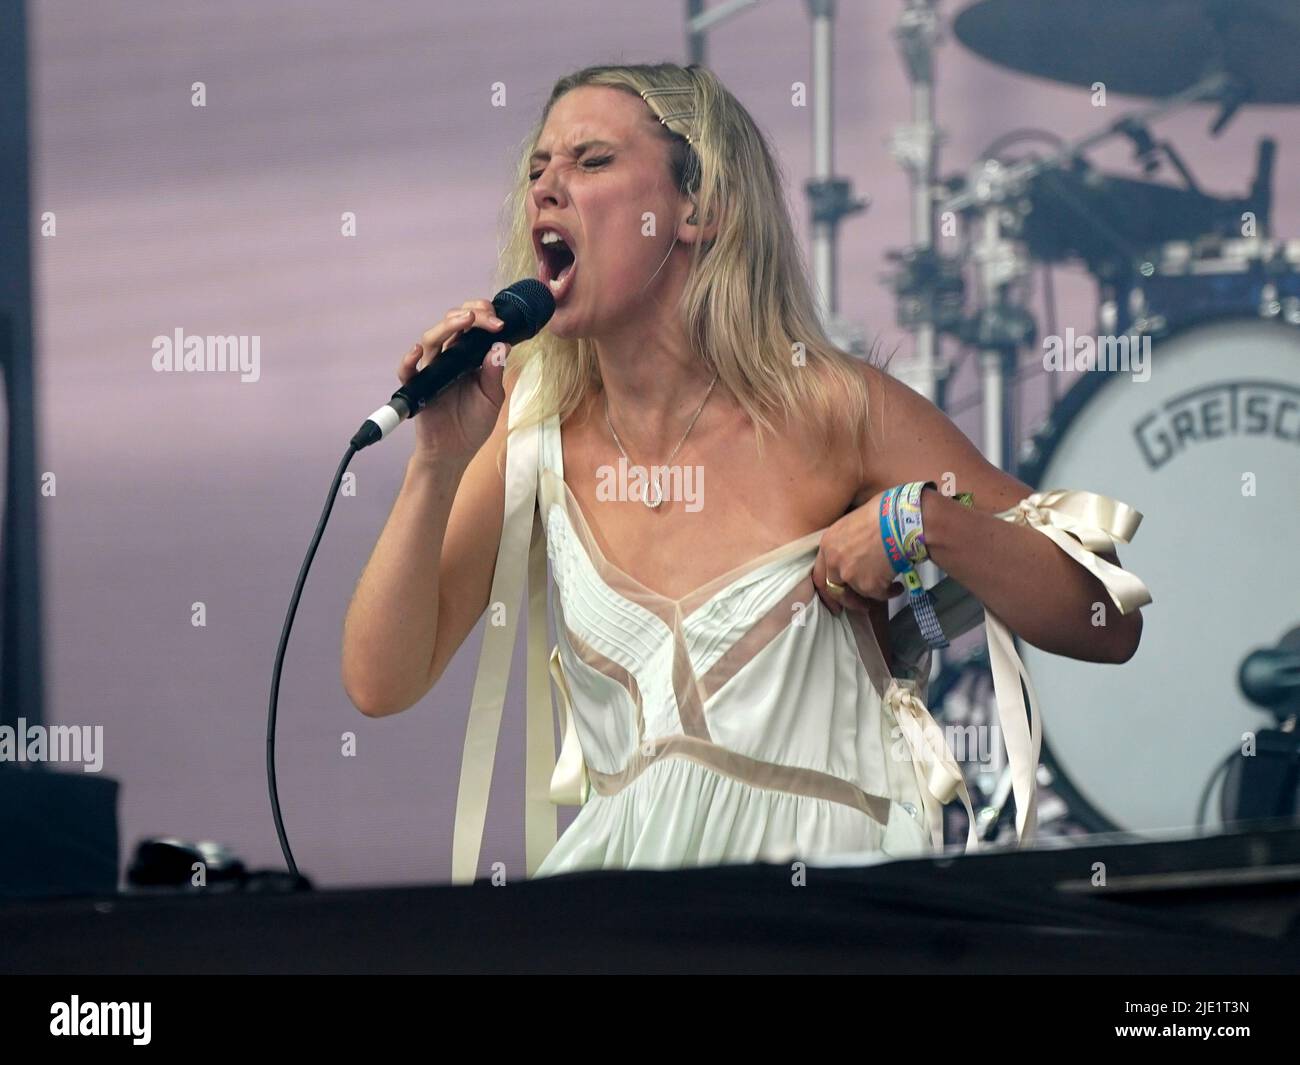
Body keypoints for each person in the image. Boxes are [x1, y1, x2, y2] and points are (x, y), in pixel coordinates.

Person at [341, 62, 1149, 884]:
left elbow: (1105, 614)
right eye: (537, 169)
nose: (547, 188)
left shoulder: (833, 406)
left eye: (591, 161)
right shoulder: (534, 422)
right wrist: (436, 462)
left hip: (826, 916)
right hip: (619, 920)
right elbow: (380, 680)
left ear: (699, 208)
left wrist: (925, 522)